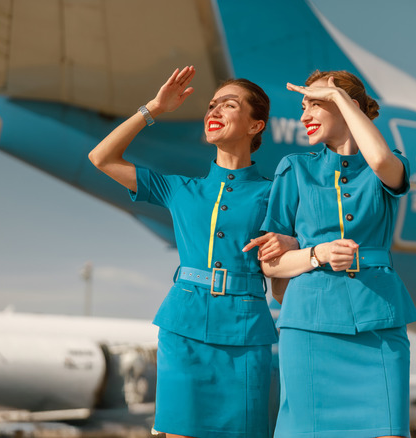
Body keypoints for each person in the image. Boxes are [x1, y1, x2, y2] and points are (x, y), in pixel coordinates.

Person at [89, 66, 296, 438]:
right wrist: (153, 108)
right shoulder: (180, 189)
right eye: (211, 105)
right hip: (182, 328)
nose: (213, 111)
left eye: (228, 105)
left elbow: (283, 271)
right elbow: (102, 158)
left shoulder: (276, 193)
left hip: (246, 333)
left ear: (256, 126)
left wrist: (293, 246)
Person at [245, 70, 416, 438]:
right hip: (308, 327)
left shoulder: (388, 164)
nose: (304, 116)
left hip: (379, 325)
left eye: (315, 104)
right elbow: (270, 262)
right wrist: (317, 253)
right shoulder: (294, 168)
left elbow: (381, 161)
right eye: (302, 106)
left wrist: (338, 96)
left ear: (348, 107)